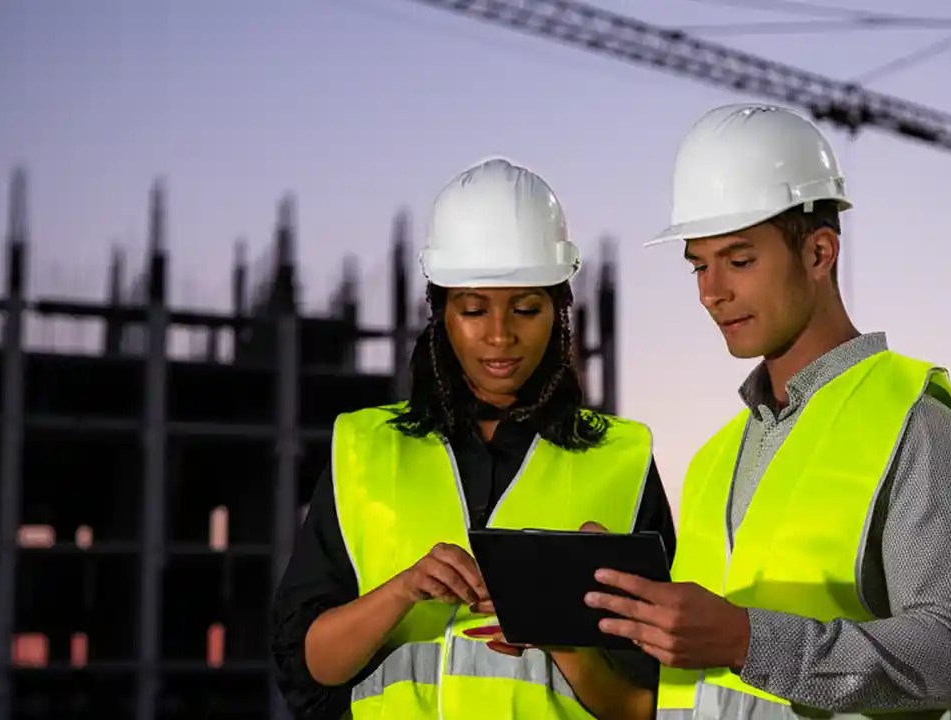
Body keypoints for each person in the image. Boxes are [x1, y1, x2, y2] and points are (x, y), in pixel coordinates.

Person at [582, 104, 951, 719]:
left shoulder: (916, 425)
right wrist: (623, 596)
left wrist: (747, 640)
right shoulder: (713, 460)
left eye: (739, 260)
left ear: (818, 253)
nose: (711, 292)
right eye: (699, 265)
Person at [271, 156, 675, 719]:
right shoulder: (364, 450)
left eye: (527, 309)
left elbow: (644, 705)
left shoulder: (622, 462)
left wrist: (557, 631)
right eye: (474, 309)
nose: (501, 336)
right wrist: (403, 590)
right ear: (441, 314)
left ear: (559, 313)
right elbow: (308, 664)